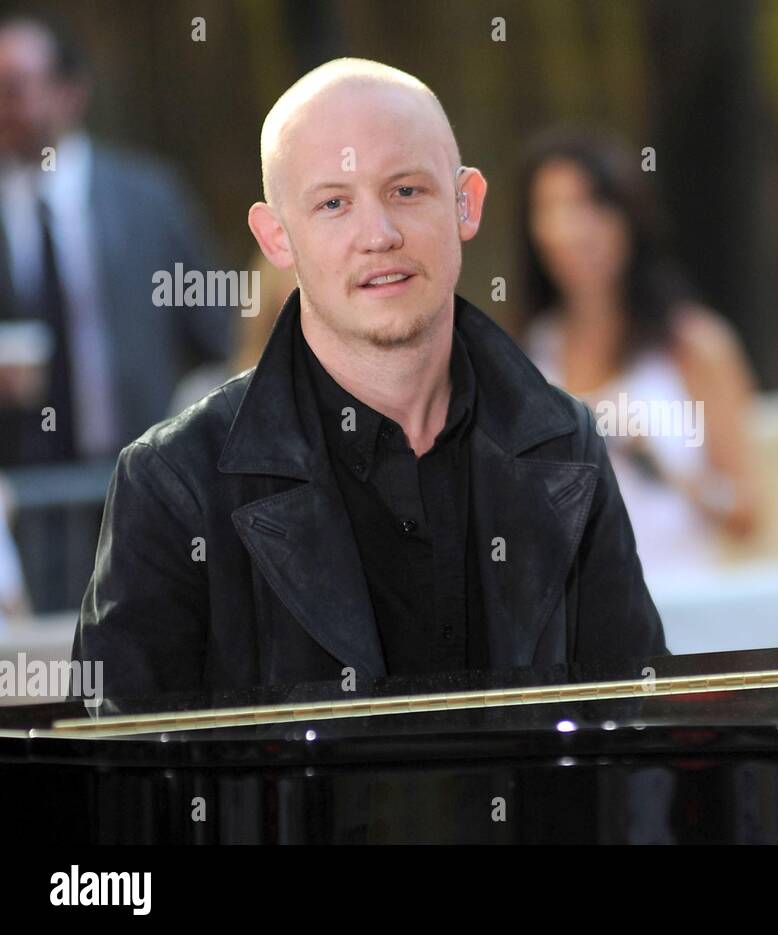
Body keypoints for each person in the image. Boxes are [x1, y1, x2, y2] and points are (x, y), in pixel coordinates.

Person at [72, 58, 666, 702]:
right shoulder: (176, 482)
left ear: (466, 204)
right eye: (333, 204)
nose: (378, 235)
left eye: (406, 190)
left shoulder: (562, 444)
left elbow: (636, 733)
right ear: (276, 238)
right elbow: (118, 775)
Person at [517, 130, 760, 583]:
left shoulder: (694, 344)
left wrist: (654, 461)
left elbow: (749, 517)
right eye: (552, 208)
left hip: (686, 619)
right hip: (574, 631)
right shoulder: (525, 356)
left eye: (592, 204)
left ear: (628, 216)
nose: (573, 228)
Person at [0, 11, 230, 465]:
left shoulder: (148, 200)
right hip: (15, 495)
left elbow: (220, 336)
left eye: (13, 87)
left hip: (141, 476)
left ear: (70, 92)